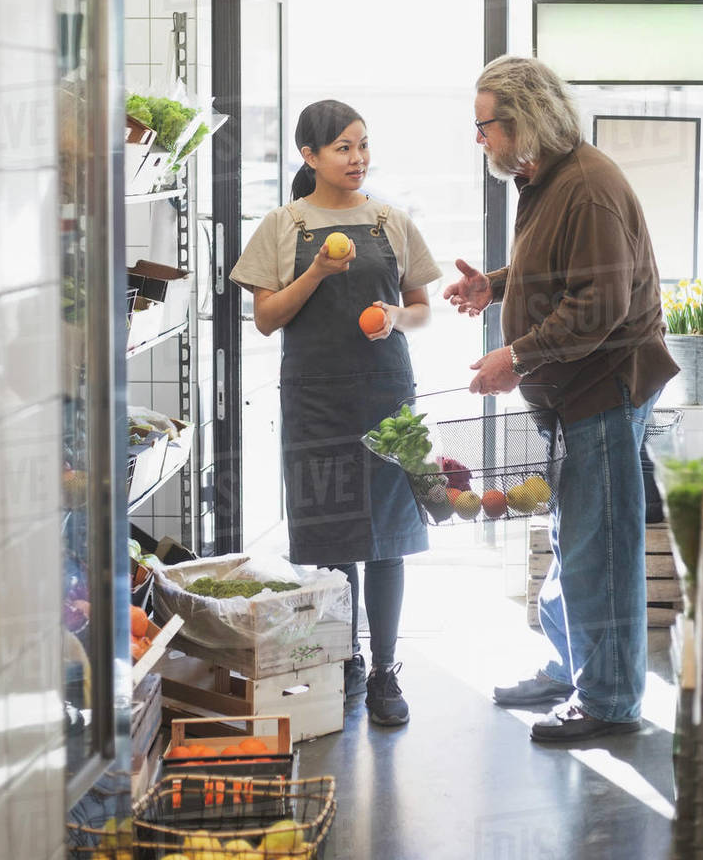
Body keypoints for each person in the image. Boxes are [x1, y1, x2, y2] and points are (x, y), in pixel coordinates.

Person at [444, 56, 678, 743]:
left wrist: (514, 356)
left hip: (604, 389)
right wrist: (496, 284)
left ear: (523, 120)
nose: (480, 139)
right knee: (570, 536)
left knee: (598, 549)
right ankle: (572, 664)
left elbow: (598, 302)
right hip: (575, 396)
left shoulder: (588, 186)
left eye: (485, 125)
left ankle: (608, 700)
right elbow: (560, 264)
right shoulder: (547, 178)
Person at [230, 99, 441, 726]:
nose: (358, 159)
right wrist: (318, 272)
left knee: (388, 536)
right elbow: (267, 319)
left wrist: (397, 319)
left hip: (385, 394)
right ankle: (341, 659)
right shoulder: (283, 226)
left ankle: (384, 671)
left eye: (364, 145)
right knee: (331, 536)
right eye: (344, 148)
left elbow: (422, 308)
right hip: (315, 397)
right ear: (310, 156)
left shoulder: (390, 222)